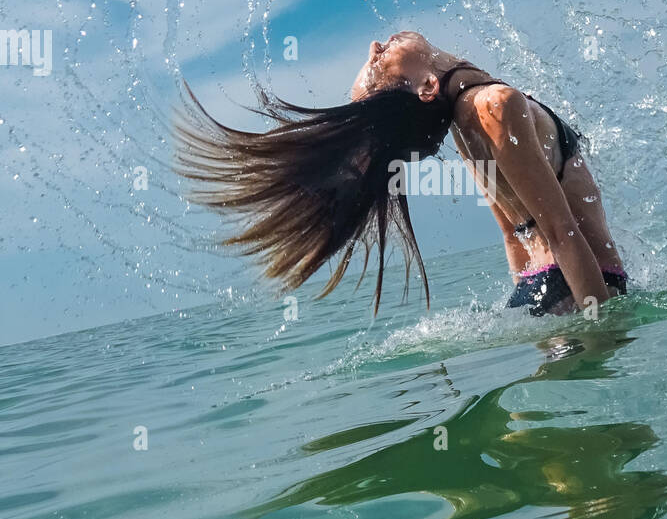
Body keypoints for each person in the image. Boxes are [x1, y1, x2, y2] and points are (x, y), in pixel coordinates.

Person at [174, 30, 626, 316]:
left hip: (549, 288)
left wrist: (532, 310)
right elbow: (561, 231)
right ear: (428, 87)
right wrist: (603, 336)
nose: (374, 47)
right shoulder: (492, 108)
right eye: (378, 66)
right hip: (582, 286)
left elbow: (513, 237)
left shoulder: (468, 125)